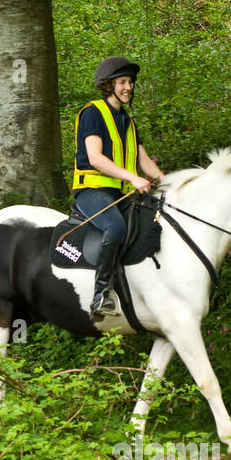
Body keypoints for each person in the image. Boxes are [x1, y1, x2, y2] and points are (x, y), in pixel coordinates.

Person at [71, 55, 165, 318]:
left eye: (130, 82)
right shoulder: (92, 113)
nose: (128, 87)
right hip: (91, 191)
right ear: (108, 85)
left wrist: (167, 182)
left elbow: (143, 160)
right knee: (116, 227)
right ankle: (100, 294)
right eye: (122, 82)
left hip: (119, 194)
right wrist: (132, 178)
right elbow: (95, 158)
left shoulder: (129, 122)